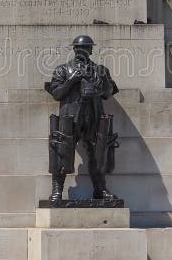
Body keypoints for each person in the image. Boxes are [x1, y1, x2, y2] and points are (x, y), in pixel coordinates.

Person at [44, 35, 119, 205]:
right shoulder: (63, 70)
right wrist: (72, 80)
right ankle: (57, 191)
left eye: (86, 48)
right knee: (61, 150)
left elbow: (108, 93)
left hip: (93, 114)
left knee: (98, 152)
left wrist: (103, 82)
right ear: (74, 50)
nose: (83, 51)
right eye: (80, 49)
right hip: (70, 116)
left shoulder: (100, 70)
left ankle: (100, 189)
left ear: (91, 51)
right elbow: (56, 94)